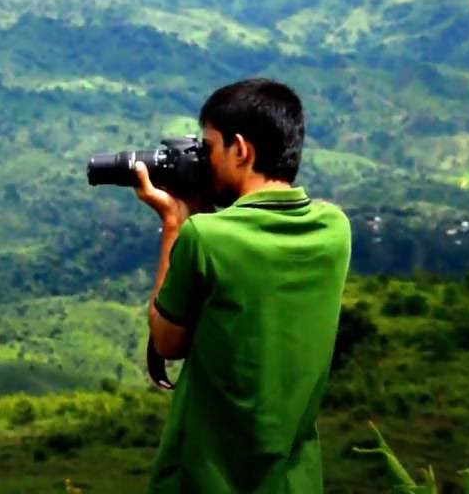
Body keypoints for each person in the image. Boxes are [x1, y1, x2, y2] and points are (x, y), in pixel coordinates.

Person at [132, 78, 352, 493]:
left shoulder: (205, 237)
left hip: (208, 480)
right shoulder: (335, 230)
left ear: (240, 149)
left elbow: (167, 342)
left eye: (209, 148)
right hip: (294, 480)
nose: (205, 160)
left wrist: (174, 223)